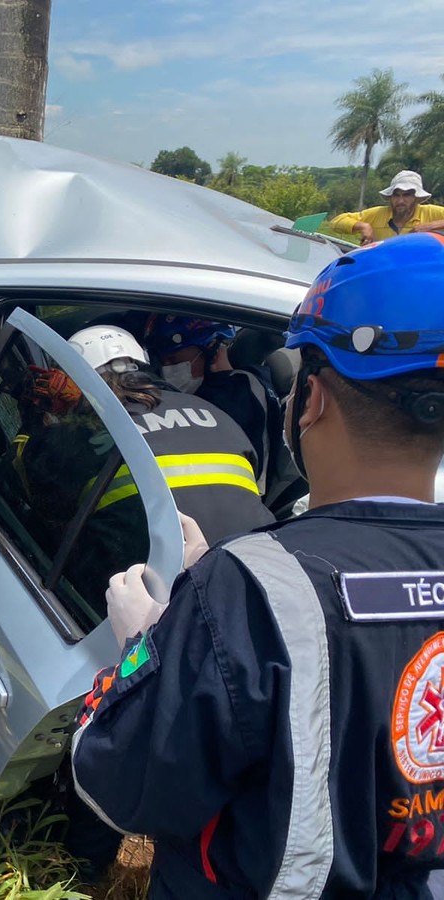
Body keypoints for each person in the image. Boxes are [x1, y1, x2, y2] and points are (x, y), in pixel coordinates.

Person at [71, 233, 444, 898]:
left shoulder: (246, 591)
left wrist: (143, 647)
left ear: (314, 398)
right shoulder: (242, 581)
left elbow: (123, 781)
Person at [65, 325, 274, 546]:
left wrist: (39, 416)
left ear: (77, 381)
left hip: (158, 570)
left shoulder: (82, 433)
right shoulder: (212, 410)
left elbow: (43, 492)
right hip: (258, 557)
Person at [143, 315, 284, 494]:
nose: (167, 370)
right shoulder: (243, 384)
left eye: (174, 360)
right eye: (163, 363)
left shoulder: (233, 399)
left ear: (212, 349)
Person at [330, 170, 444, 244]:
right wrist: (363, 226)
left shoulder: (430, 212)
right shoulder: (378, 214)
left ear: (417, 198)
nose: (400, 201)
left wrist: (432, 225)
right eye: (396, 195)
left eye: (406, 195)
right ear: (390, 197)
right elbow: (336, 222)